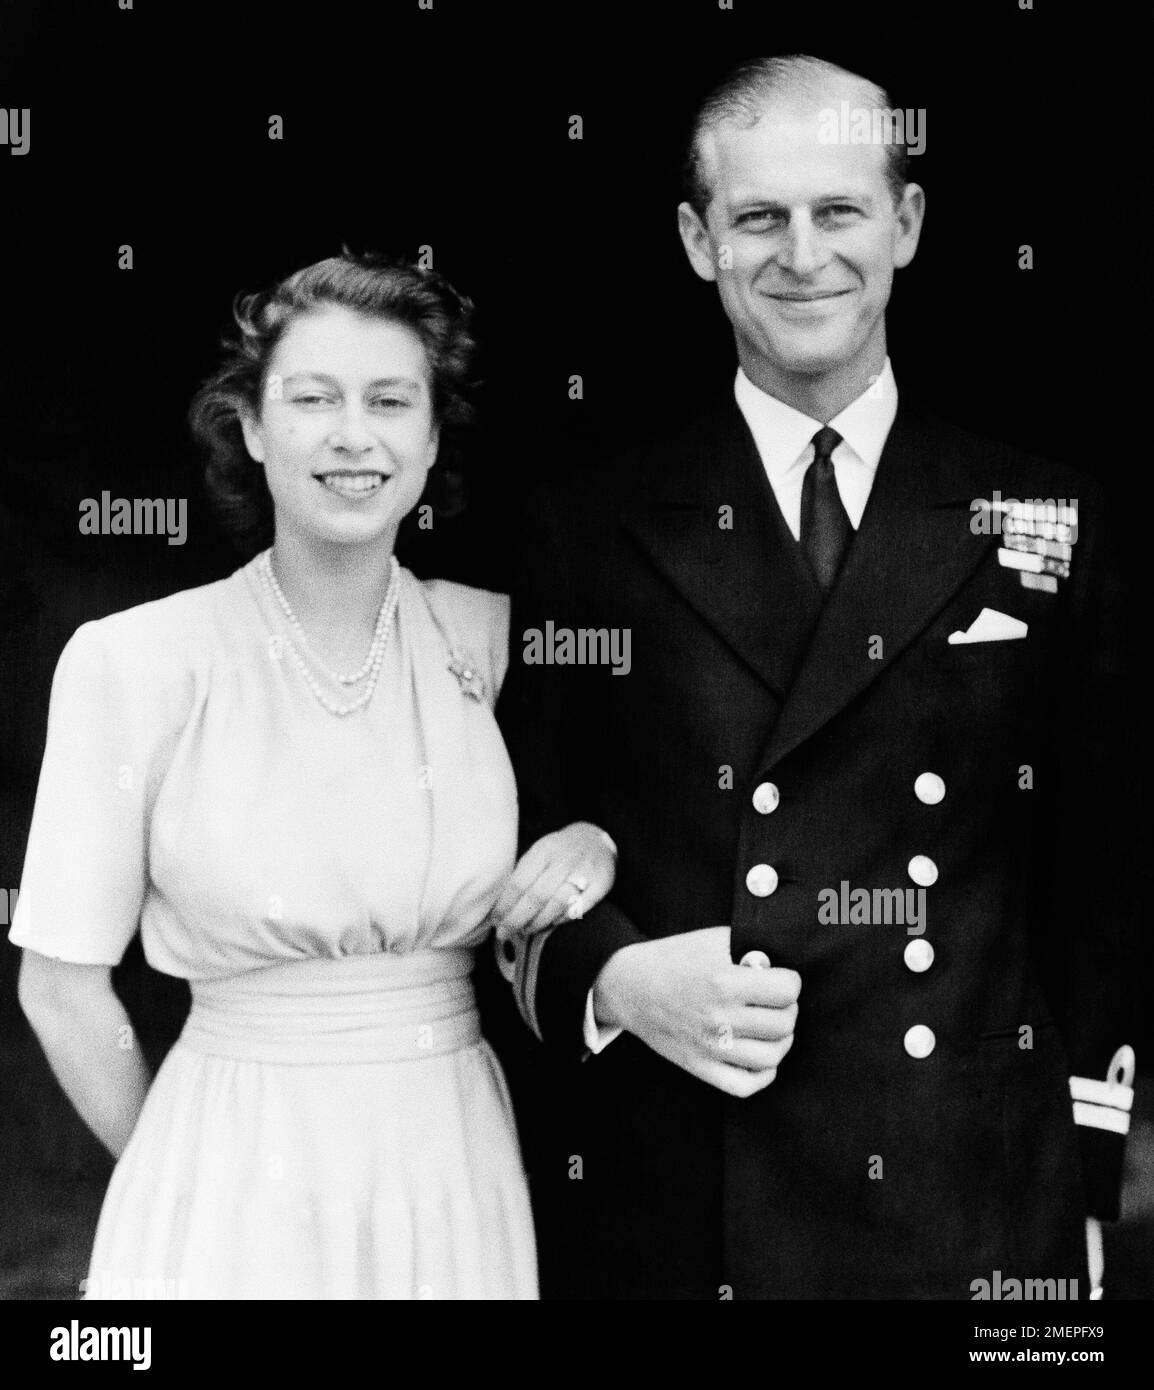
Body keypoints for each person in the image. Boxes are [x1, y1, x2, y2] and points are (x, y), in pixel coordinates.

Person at [495, 55, 1140, 1299]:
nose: (803, 254)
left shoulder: (1042, 511)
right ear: (698, 242)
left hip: (971, 1193)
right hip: (688, 1194)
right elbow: (512, 843)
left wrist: (1085, 1177)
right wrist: (616, 981)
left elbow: (1099, 880)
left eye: (837, 211)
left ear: (902, 225)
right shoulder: (594, 524)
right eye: (758, 217)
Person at [10, 252, 615, 1300]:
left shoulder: (497, 641)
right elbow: (59, 986)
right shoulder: (136, 662)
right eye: (311, 398)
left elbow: (618, 840)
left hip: (450, 1158)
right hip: (229, 1152)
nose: (351, 435)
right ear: (251, 426)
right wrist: (180, 1170)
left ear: (430, 438)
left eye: (389, 401)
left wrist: (595, 842)